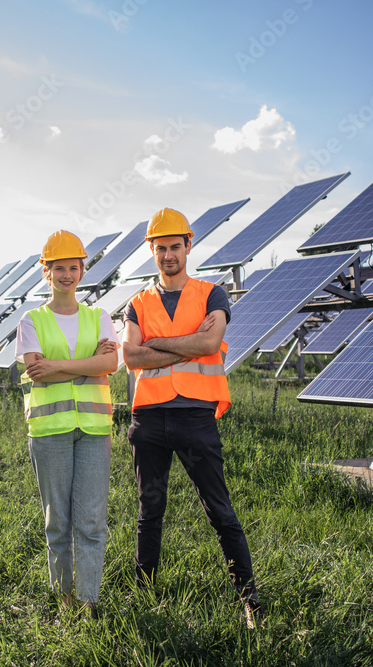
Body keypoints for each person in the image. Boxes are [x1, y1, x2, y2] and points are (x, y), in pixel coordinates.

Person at [121, 208, 261, 627]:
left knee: (220, 511)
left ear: (188, 245)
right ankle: (144, 594)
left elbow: (212, 339)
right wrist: (191, 343)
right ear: (151, 250)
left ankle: (249, 599)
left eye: (174, 246)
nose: (168, 255)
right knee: (150, 509)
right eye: (160, 248)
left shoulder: (211, 293)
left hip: (197, 416)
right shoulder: (138, 302)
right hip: (148, 418)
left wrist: (159, 343)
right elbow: (131, 355)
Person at [15, 229, 120, 617]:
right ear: (46, 272)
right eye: (58, 268)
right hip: (49, 432)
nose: (66, 275)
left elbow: (109, 364)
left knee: (91, 521)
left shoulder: (100, 316)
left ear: (82, 269)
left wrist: (57, 365)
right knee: (57, 521)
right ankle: (64, 600)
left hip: (93, 431)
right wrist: (85, 367)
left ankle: (89, 603)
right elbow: (35, 373)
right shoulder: (31, 320)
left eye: (73, 267)